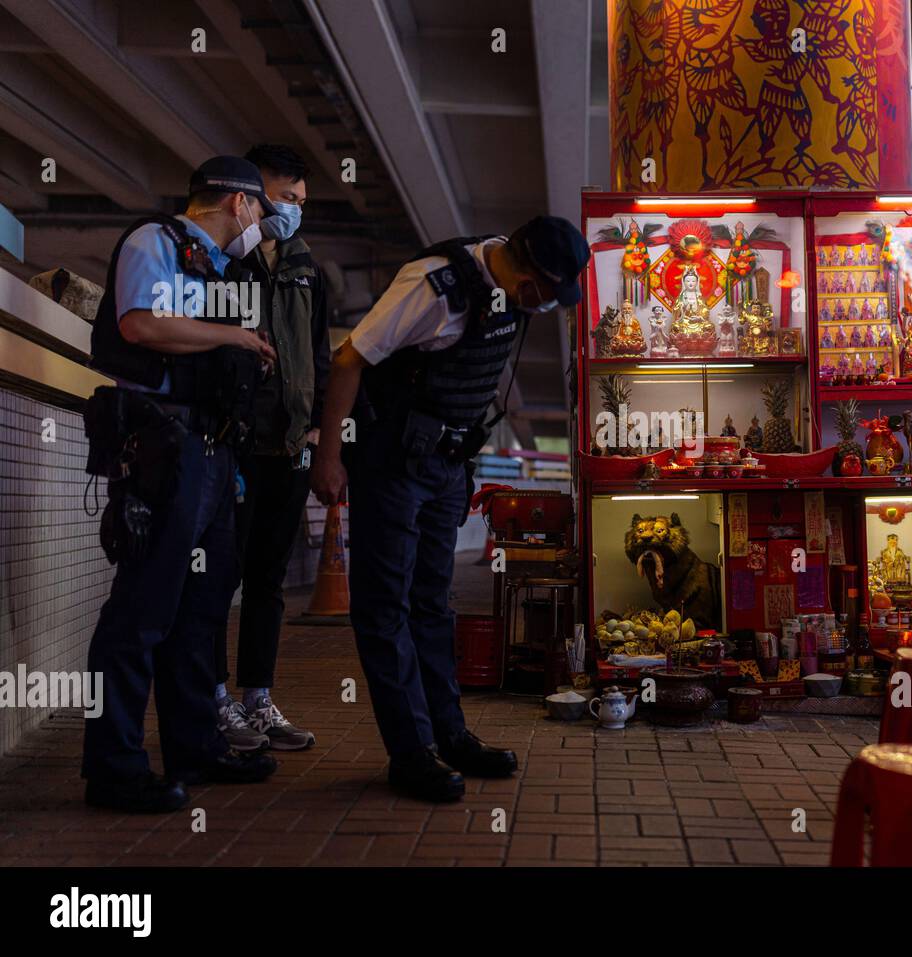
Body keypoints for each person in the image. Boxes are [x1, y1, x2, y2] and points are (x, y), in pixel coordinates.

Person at [311, 217, 590, 802]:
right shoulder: (432, 285)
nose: (543, 308)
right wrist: (330, 457)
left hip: (443, 464)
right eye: (547, 293)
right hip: (390, 461)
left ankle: (451, 734)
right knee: (384, 607)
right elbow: (347, 360)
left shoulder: (508, 296)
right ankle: (410, 753)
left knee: (432, 606)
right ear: (531, 276)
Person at [82, 156, 281, 813]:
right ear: (236, 204)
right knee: (141, 611)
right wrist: (235, 336)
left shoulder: (219, 268)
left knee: (200, 611)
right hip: (166, 445)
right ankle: (114, 767)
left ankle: (195, 746)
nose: (261, 223)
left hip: (214, 452)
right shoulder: (154, 241)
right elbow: (139, 323)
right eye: (260, 209)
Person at [213, 145, 330, 753]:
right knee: (213, 577)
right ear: (252, 191)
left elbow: (321, 355)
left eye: (301, 203)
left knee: (266, 581)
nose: (294, 212)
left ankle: (257, 699)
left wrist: (315, 433)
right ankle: (212, 700)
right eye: (287, 199)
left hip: (286, 448)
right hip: (227, 444)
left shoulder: (306, 266)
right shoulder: (218, 261)